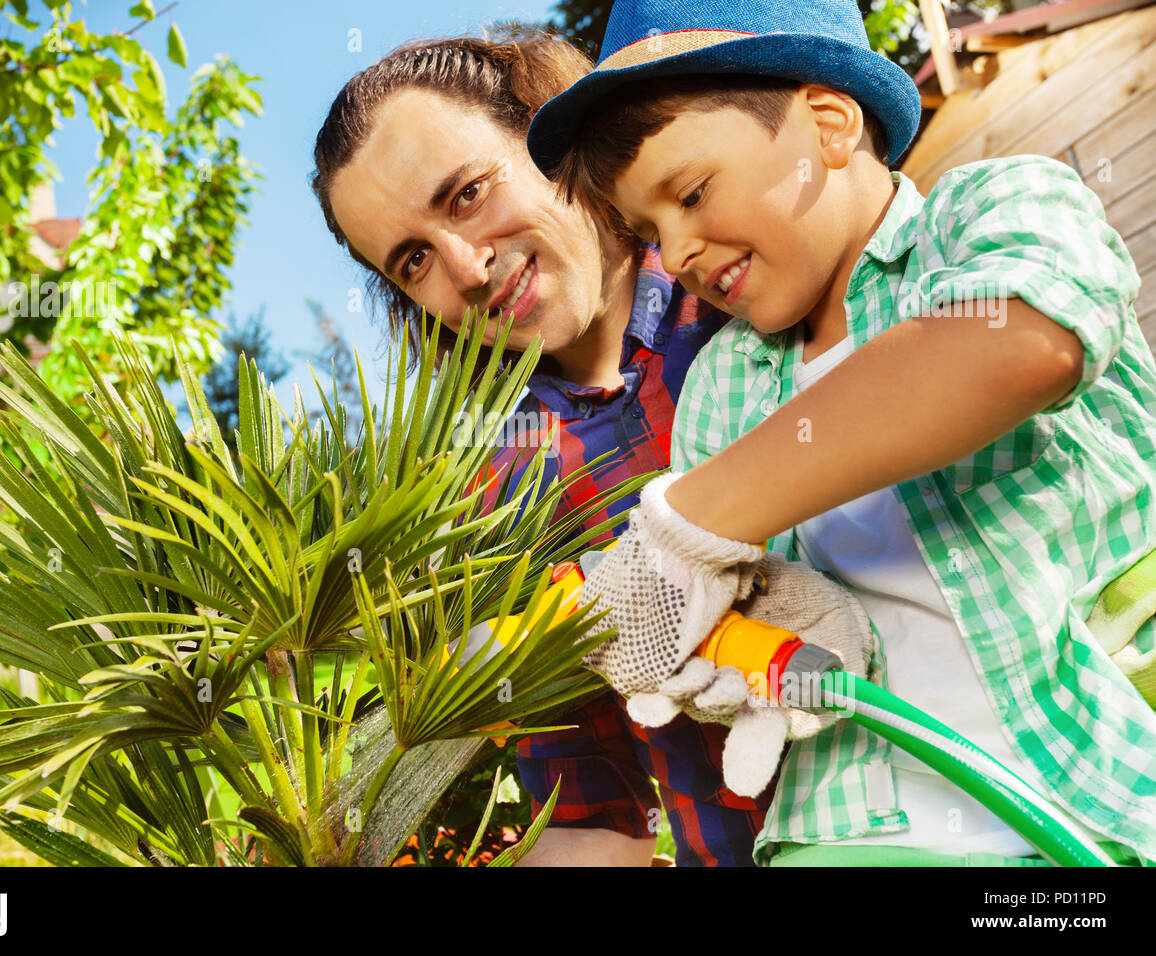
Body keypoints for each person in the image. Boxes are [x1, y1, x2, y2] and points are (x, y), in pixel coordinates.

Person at [528, 0, 1156, 865]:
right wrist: (738, 641)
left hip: (1100, 774)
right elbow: (736, 608)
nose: (674, 256)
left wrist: (688, 525)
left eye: (692, 193)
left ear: (830, 123)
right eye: (648, 233)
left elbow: (1025, 339)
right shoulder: (720, 384)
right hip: (853, 822)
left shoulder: (986, 212)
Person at [312, 31, 779, 866]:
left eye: (465, 195)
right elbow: (594, 810)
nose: (466, 266)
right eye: (413, 259)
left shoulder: (755, 284)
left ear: (550, 132)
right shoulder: (490, 493)